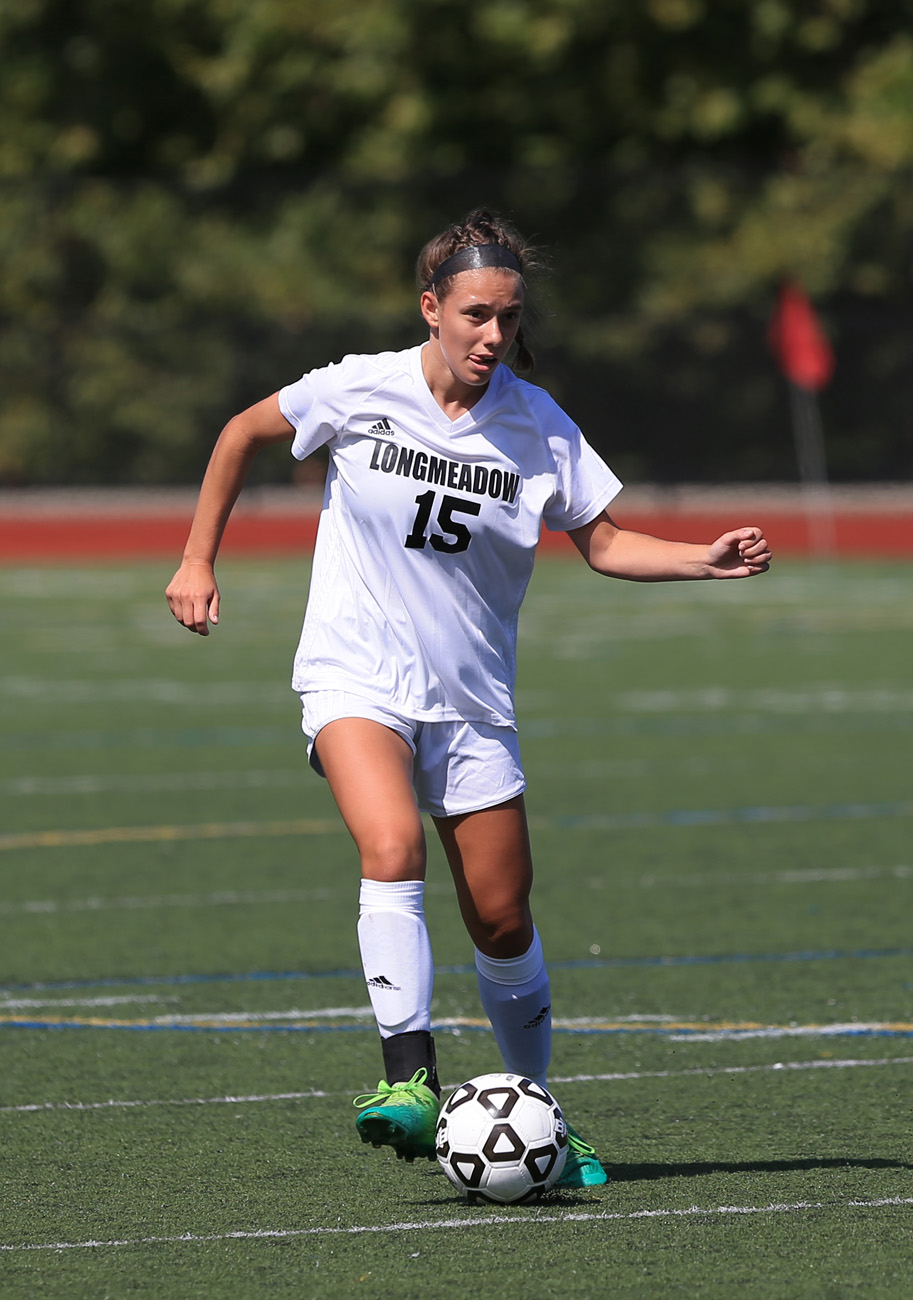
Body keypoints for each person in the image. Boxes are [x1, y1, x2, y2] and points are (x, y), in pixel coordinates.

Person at [165, 208, 772, 1190]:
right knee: (390, 846)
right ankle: (408, 1075)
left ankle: (534, 1111)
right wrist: (197, 557)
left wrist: (701, 558)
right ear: (431, 309)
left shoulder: (537, 425)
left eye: (510, 317)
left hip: (472, 701)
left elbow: (604, 541)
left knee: (500, 919)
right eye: (478, 314)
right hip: (354, 673)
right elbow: (241, 432)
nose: (495, 335)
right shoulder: (359, 388)